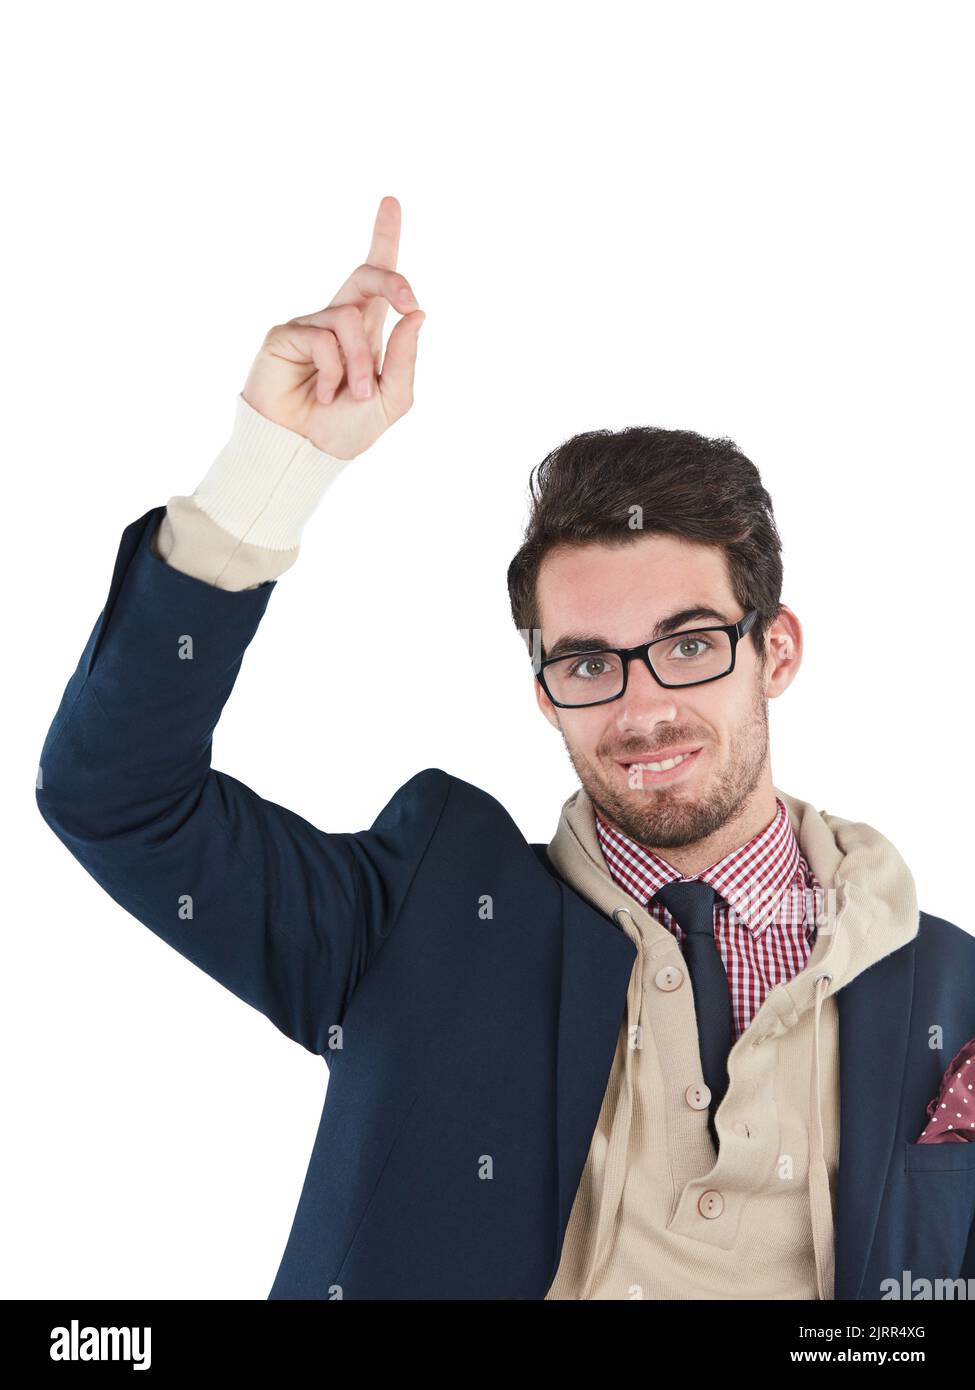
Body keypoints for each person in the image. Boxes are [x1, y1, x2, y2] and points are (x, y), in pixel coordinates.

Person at [36, 195, 975, 1301]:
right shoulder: (420, 915)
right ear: (544, 692)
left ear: (777, 649)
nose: (640, 708)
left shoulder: (945, 984)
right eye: (588, 662)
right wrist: (268, 475)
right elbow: (118, 799)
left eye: (686, 646)